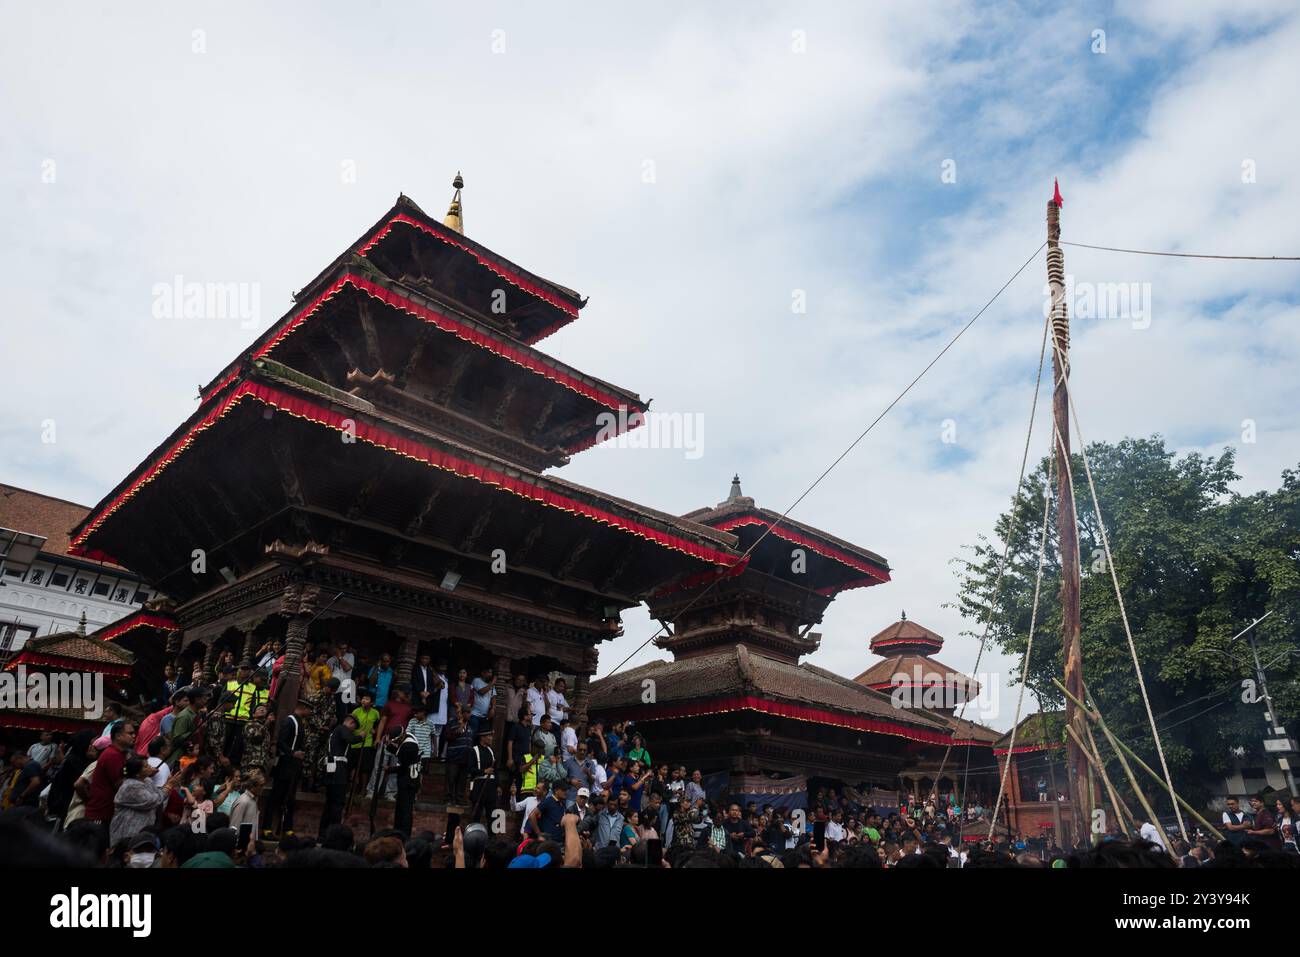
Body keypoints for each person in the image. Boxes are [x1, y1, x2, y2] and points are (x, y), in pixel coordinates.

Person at [264, 699, 310, 838]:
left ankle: (287, 827)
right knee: (276, 796)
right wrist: (292, 752)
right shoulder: (289, 721)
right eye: (309, 709)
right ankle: (267, 828)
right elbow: (281, 742)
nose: (311, 712)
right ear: (302, 708)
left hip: (294, 767)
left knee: (290, 797)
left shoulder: (301, 722)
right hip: (285, 765)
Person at [84, 720, 136, 826]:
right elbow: (120, 785)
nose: (134, 736)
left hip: (105, 813)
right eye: (130, 733)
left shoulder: (120, 754)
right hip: (100, 815)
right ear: (118, 736)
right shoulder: (113, 755)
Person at [110, 756, 168, 846]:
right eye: (146, 766)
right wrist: (169, 786)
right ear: (137, 774)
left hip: (142, 831)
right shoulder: (130, 786)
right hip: (127, 832)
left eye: (148, 764)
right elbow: (154, 800)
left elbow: (158, 795)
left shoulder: (147, 780)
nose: (150, 767)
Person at [320, 714, 358, 833]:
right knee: (337, 802)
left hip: (333, 767)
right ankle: (333, 832)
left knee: (330, 803)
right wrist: (360, 737)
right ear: (350, 723)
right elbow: (351, 739)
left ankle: (324, 832)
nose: (353, 731)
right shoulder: (342, 729)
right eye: (354, 727)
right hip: (337, 769)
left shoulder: (335, 731)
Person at [387, 724, 422, 837]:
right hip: (406, 779)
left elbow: (403, 766)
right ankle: (397, 831)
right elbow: (399, 752)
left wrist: (389, 769)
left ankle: (404, 834)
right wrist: (389, 745)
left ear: (401, 737)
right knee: (400, 808)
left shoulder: (409, 745)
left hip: (409, 781)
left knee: (405, 810)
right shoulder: (408, 739)